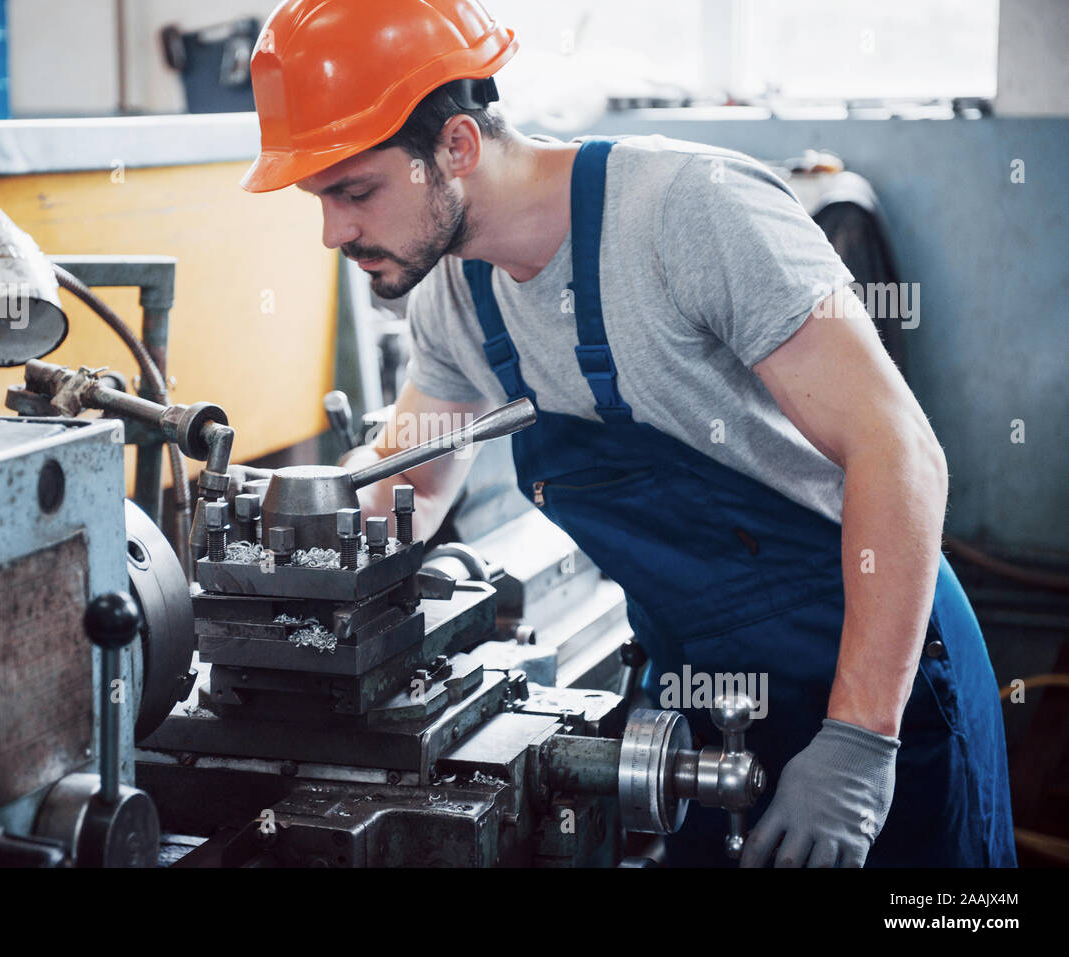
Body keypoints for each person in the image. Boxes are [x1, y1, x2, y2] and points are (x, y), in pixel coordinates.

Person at [239, 0, 1017, 867]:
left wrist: (860, 742)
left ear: (457, 146)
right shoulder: (458, 294)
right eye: (320, 197)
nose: (332, 231)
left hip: (875, 675)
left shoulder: (691, 211)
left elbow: (899, 451)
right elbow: (415, 482)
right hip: (704, 701)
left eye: (355, 190)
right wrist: (288, 530)